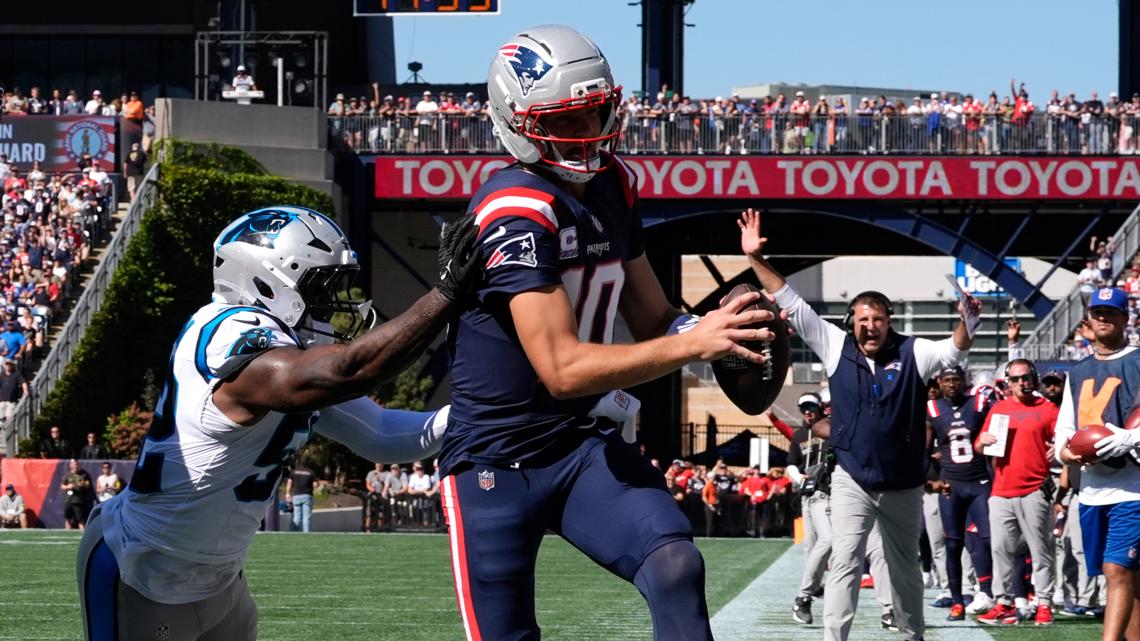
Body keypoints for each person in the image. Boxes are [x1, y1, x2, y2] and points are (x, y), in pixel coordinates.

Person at [439, 25, 780, 641]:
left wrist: (713, 328)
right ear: (516, 120)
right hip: (495, 457)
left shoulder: (614, 183)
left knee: (676, 563)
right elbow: (562, 369)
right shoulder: (515, 207)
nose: (588, 130)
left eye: (595, 110)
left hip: (576, 442)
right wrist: (692, 343)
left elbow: (653, 317)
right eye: (566, 119)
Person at [75, 205, 482, 641]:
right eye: (322, 286)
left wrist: (489, 409)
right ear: (267, 279)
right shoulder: (226, 332)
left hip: (219, 581)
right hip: (143, 570)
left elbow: (384, 435)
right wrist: (442, 297)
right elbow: (343, 371)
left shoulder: (288, 355)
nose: (332, 303)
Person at [738, 208, 979, 641]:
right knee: (845, 560)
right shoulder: (834, 344)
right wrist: (755, 259)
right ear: (852, 320)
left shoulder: (914, 351)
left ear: (890, 321)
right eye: (863, 319)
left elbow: (953, 352)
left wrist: (968, 323)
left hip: (903, 482)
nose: (870, 327)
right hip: (852, 477)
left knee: (904, 567)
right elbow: (788, 299)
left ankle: (912, 635)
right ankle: (835, 639)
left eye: (878, 319)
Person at [1056, 287, 1140, 641]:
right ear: (1088, 319)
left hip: (1132, 486)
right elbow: (1064, 430)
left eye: (1112, 312)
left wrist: (1126, 438)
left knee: (1116, 568)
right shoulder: (1077, 372)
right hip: (1092, 489)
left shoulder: (1138, 360)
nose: (1103, 318)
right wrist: (1066, 453)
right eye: (1098, 312)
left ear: (1125, 318)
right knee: (1126, 578)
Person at [974, 358, 1058, 626]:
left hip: (1035, 488)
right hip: (1001, 490)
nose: (1021, 383)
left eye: (1025, 378)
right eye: (1015, 379)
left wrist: (1061, 446)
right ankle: (1004, 602)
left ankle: (1044, 603)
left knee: (1041, 549)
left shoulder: (1048, 409)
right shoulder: (999, 409)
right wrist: (981, 442)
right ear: (1007, 383)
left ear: (1033, 379)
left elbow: (1066, 439)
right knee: (1000, 548)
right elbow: (980, 445)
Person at [926, 366, 995, 620]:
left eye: (956, 379)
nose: (952, 384)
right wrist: (929, 481)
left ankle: (990, 592)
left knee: (991, 540)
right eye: (947, 380)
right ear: (940, 383)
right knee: (953, 544)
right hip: (951, 486)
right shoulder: (932, 408)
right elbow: (921, 450)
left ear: (964, 381)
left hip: (979, 482)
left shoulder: (979, 402)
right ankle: (957, 601)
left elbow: (998, 428)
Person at [786, 394, 831, 625]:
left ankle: (809, 591)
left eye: (811, 407)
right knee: (812, 545)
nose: (807, 412)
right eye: (803, 408)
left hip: (827, 492)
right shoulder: (800, 434)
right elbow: (791, 463)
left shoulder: (830, 427)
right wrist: (798, 477)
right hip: (809, 493)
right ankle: (813, 587)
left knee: (826, 542)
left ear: (820, 407)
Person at [284, 457, 315, 532]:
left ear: (299, 463)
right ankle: (306, 534)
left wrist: (287, 494)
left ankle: (294, 534)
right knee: (306, 517)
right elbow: (315, 484)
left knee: (297, 516)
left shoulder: (294, 472)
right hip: (307, 495)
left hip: (296, 495)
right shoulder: (310, 472)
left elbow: (289, 483)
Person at [62, 458, 94, 529]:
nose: (75, 466)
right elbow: (62, 486)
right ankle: (67, 535)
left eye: (76, 464)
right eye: (73, 464)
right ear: (70, 465)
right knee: (68, 519)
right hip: (68, 500)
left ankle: (83, 537)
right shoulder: (67, 475)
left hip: (78, 501)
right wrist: (68, 486)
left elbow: (88, 486)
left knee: (80, 519)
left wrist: (83, 484)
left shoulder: (83, 475)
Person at [0, 358, 27, 424]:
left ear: (13, 365)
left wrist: (26, 390)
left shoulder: (17, 374)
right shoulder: (1, 375)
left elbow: (23, 382)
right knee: (1, 417)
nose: (8, 366)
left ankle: (6, 432)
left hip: (12, 400)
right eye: (7, 364)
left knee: (9, 418)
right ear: (4, 365)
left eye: (10, 365)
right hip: (2, 400)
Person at [364, 462, 387, 532]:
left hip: (381, 495)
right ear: (375, 465)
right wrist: (371, 489)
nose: (379, 465)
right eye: (378, 464)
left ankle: (380, 529)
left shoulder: (387, 474)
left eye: (380, 464)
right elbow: (367, 484)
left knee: (380, 513)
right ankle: (367, 529)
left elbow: (387, 485)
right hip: (372, 495)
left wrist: (381, 481)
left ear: (383, 465)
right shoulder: (371, 473)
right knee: (369, 512)